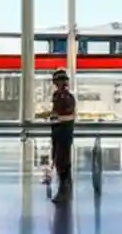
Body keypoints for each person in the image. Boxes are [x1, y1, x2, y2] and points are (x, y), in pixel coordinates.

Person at [48, 69, 77, 204]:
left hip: (65, 133)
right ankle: (64, 189)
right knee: (57, 161)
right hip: (56, 132)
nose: (61, 83)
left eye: (63, 80)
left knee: (63, 162)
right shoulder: (56, 96)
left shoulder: (69, 98)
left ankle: (65, 191)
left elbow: (71, 116)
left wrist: (58, 118)